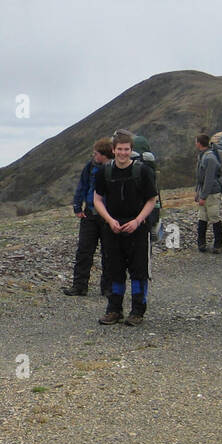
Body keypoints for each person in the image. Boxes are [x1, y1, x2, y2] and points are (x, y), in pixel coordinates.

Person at [93, 129, 157, 326]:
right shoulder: (105, 172)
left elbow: (151, 199)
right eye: (119, 149)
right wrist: (110, 220)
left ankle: (137, 311)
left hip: (137, 228)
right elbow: (97, 199)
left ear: (131, 150)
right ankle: (114, 310)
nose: (123, 153)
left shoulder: (143, 171)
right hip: (112, 228)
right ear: (113, 150)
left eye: (126, 149)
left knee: (139, 271)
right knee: (114, 270)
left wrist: (138, 221)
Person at [63, 138, 113, 296]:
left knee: (109, 252)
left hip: (108, 215)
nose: (94, 156)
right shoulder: (90, 166)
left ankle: (108, 287)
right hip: (90, 213)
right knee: (84, 251)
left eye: (96, 153)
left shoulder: (115, 168)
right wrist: (77, 206)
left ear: (103, 154)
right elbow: (82, 185)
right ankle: (79, 285)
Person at [194, 133, 222, 253]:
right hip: (204, 192)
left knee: (214, 216)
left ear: (199, 143)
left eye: (196, 141)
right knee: (202, 217)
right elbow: (200, 178)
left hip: (212, 193)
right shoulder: (203, 156)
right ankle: (201, 243)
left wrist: (203, 196)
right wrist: (198, 193)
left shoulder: (209, 158)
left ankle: (218, 244)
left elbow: (209, 179)